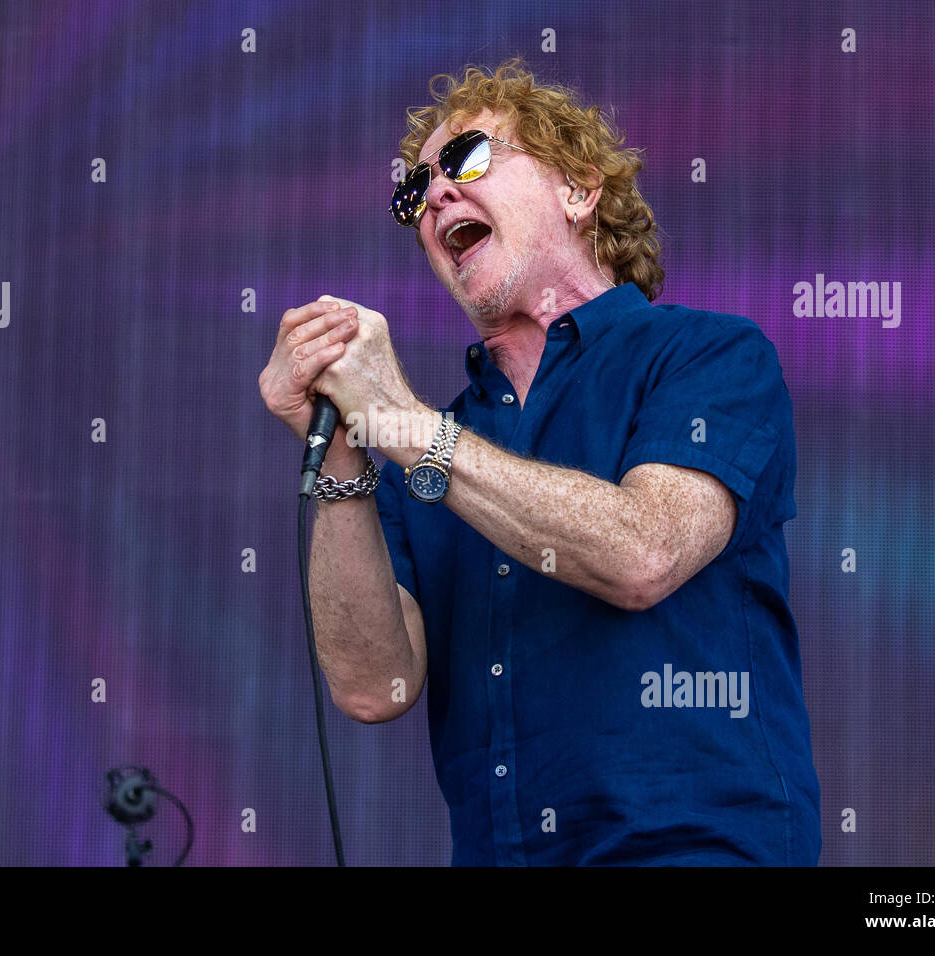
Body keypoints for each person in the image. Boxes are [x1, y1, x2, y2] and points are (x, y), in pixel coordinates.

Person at [258, 59, 820, 866]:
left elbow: (642, 552)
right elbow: (370, 687)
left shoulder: (709, 356)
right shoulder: (433, 439)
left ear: (579, 190)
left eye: (468, 160)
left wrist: (406, 424)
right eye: (415, 193)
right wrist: (349, 444)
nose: (438, 195)